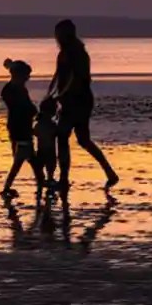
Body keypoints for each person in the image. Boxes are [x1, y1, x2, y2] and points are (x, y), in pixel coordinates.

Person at [44, 19, 118, 196]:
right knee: (81, 140)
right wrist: (50, 94)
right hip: (69, 100)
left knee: (66, 137)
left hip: (79, 100)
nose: (56, 37)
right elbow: (58, 76)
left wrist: (61, 96)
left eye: (59, 33)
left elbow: (76, 78)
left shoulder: (78, 53)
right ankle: (109, 173)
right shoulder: (63, 54)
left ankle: (63, 180)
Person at [0, 58, 45, 199]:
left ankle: (39, 184)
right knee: (25, 160)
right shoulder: (13, 90)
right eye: (26, 76)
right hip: (20, 128)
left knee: (24, 160)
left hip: (19, 127)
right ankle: (39, 184)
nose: (28, 78)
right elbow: (24, 107)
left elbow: (27, 106)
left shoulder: (13, 89)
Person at [34, 98, 59, 192]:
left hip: (42, 149)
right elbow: (56, 133)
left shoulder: (39, 123)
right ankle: (49, 179)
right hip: (49, 149)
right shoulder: (51, 124)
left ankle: (44, 180)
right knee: (50, 165)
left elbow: (35, 133)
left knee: (43, 166)